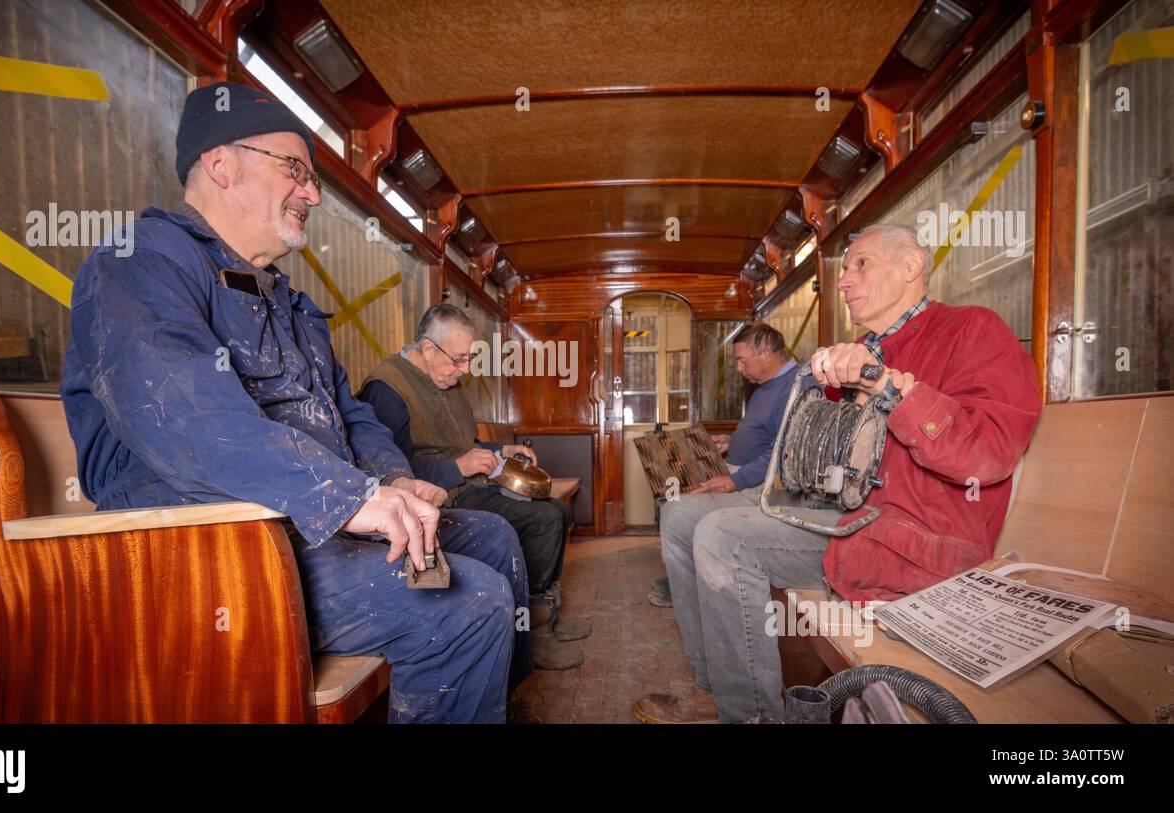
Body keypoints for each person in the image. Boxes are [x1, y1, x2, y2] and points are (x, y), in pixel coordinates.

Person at [60, 82, 531, 723]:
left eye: (311, 178)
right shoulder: (139, 263)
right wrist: (351, 498)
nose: (311, 193)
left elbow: (352, 415)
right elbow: (187, 417)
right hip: (207, 552)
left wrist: (392, 477)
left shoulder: (289, 305)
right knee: (466, 603)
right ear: (220, 164)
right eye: (295, 171)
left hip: (304, 527)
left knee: (495, 538)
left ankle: (491, 703)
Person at [633, 223, 1042, 723]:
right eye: (844, 267)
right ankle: (712, 686)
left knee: (723, 536)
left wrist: (887, 386)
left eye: (860, 264)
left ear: (911, 266)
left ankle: (749, 716)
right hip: (834, 512)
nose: (844, 280)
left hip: (902, 537)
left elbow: (988, 454)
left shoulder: (972, 330)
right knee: (679, 515)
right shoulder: (865, 346)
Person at [359, 304, 590, 671]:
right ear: (429, 348)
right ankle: (530, 633)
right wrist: (456, 467)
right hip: (443, 497)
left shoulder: (445, 378)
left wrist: (501, 450)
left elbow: (464, 442)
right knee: (544, 518)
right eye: (459, 359)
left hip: (471, 483)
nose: (465, 369)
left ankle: (542, 615)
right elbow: (391, 474)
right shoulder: (386, 390)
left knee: (557, 510)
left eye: (469, 359)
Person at [647, 322, 802, 608]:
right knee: (667, 487)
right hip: (737, 471)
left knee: (676, 507)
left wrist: (735, 480)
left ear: (767, 351)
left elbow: (784, 454)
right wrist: (730, 442)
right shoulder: (765, 387)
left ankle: (689, 587)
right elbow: (764, 435)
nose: (740, 369)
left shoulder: (797, 386)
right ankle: (684, 579)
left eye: (743, 360)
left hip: (757, 486)